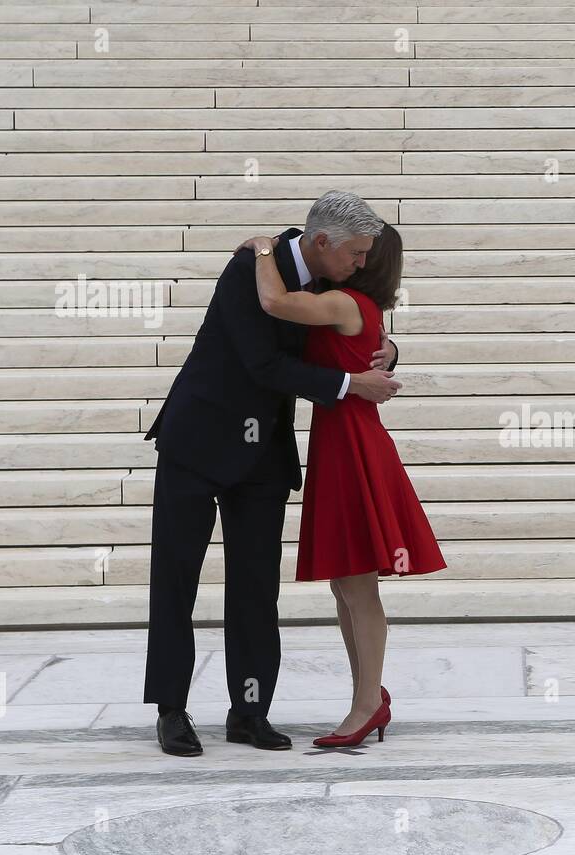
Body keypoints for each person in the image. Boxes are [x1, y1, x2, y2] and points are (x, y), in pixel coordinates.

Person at [143, 190, 401, 757]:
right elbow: (264, 362)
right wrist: (349, 386)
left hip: (263, 454)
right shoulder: (251, 268)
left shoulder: (327, 279)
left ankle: (249, 711)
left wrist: (386, 350)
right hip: (197, 440)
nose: (361, 265)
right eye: (355, 254)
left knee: (256, 586)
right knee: (176, 580)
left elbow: (352, 326)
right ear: (324, 241)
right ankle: (170, 709)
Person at [237, 222, 446, 749]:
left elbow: (275, 303)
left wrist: (263, 248)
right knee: (345, 584)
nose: (355, 257)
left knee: (357, 585)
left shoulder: (347, 304)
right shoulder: (354, 307)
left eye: (361, 252)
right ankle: (367, 695)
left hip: (352, 444)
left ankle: (367, 704)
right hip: (342, 439)